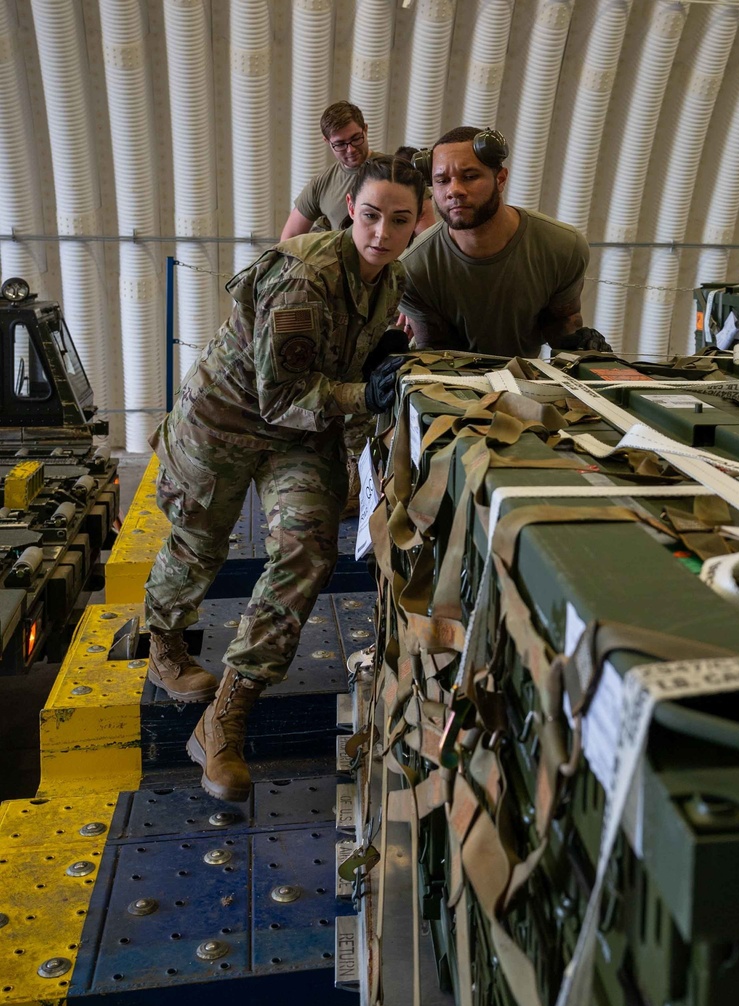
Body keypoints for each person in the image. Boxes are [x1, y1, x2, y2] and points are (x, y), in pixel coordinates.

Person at [144, 154, 424, 803]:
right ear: (352, 206)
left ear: (418, 224)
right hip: (224, 419)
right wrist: (365, 396)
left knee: (307, 550)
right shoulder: (305, 275)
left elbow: (350, 368)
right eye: (372, 214)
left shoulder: (390, 281)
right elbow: (283, 394)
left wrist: (360, 448)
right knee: (200, 545)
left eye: (399, 220)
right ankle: (165, 647)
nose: (382, 231)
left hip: (298, 436)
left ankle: (225, 717)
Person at [397, 125, 612, 357]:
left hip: (527, 379)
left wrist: (582, 350)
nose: (454, 190)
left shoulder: (562, 247)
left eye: (469, 177)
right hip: (451, 383)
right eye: (442, 181)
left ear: (500, 179)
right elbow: (436, 351)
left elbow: (562, 326)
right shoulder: (413, 268)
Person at [280, 101, 378, 241]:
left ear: (366, 129)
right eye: (340, 144)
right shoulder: (321, 184)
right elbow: (289, 238)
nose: (351, 149)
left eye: (356, 138)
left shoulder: (394, 171)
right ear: (327, 141)